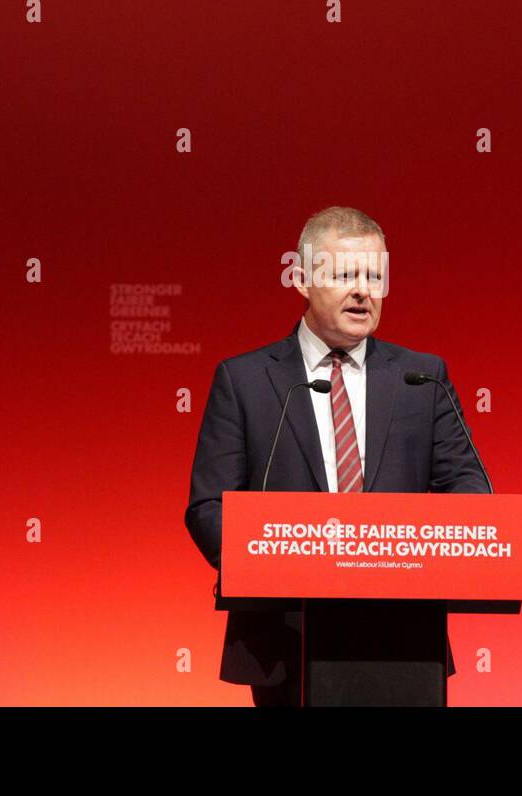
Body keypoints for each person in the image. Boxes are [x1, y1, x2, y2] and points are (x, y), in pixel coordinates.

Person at [184, 206, 491, 706]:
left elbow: (470, 491)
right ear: (302, 280)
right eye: (345, 274)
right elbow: (208, 508)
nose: (363, 290)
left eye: (375, 275)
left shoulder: (423, 378)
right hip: (288, 640)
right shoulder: (245, 381)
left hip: (406, 639)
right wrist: (272, 566)